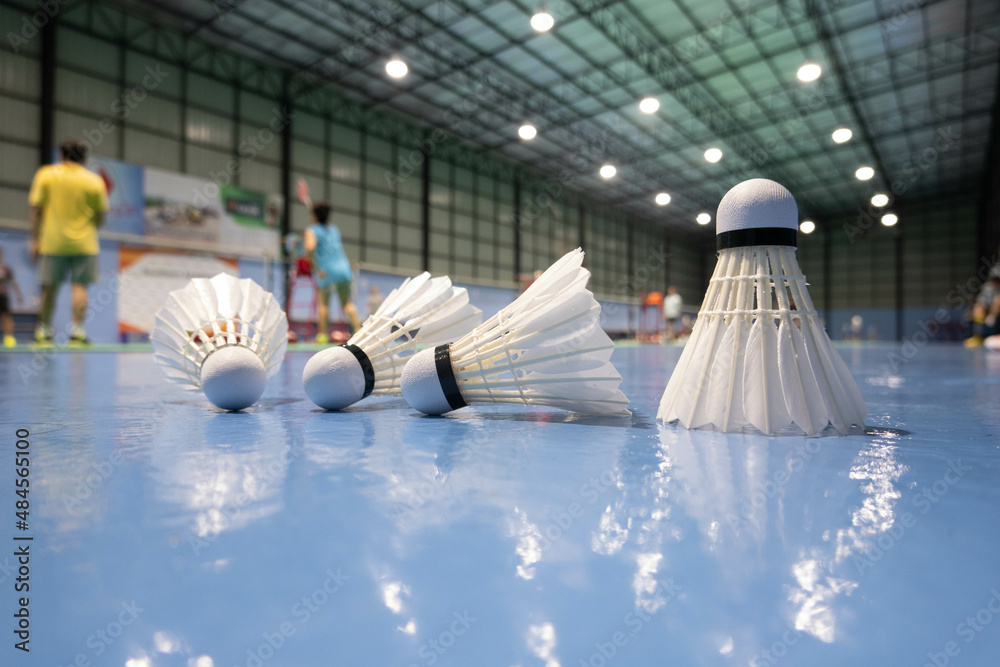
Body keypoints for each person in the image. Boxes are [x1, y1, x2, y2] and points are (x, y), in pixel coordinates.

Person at [28, 139, 108, 346]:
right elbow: (101, 216)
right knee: (80, 287)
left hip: (52, 242)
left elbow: (36, 210)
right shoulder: (94, 181)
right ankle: (77, 332)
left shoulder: (46, 175)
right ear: (84, 158)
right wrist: (90, 229)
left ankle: (44, 331)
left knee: (50, 288)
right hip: (85, 244)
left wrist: (35, 239)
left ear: (62, 155)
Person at [303, 202, 360, 343]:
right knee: (347, 303)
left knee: (323, 305)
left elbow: (309, 247)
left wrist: (314, 266)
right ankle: (360, 333)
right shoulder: (334, 229)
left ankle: (322, 336)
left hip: (326, 272)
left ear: (314, 215)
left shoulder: (311, 230)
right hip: (344, 270)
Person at [0, 247, 23, 347]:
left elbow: (14, 283)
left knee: (7, 317)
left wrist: (19, 295)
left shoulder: (6, 268)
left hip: (3, 296)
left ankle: (9, 339)